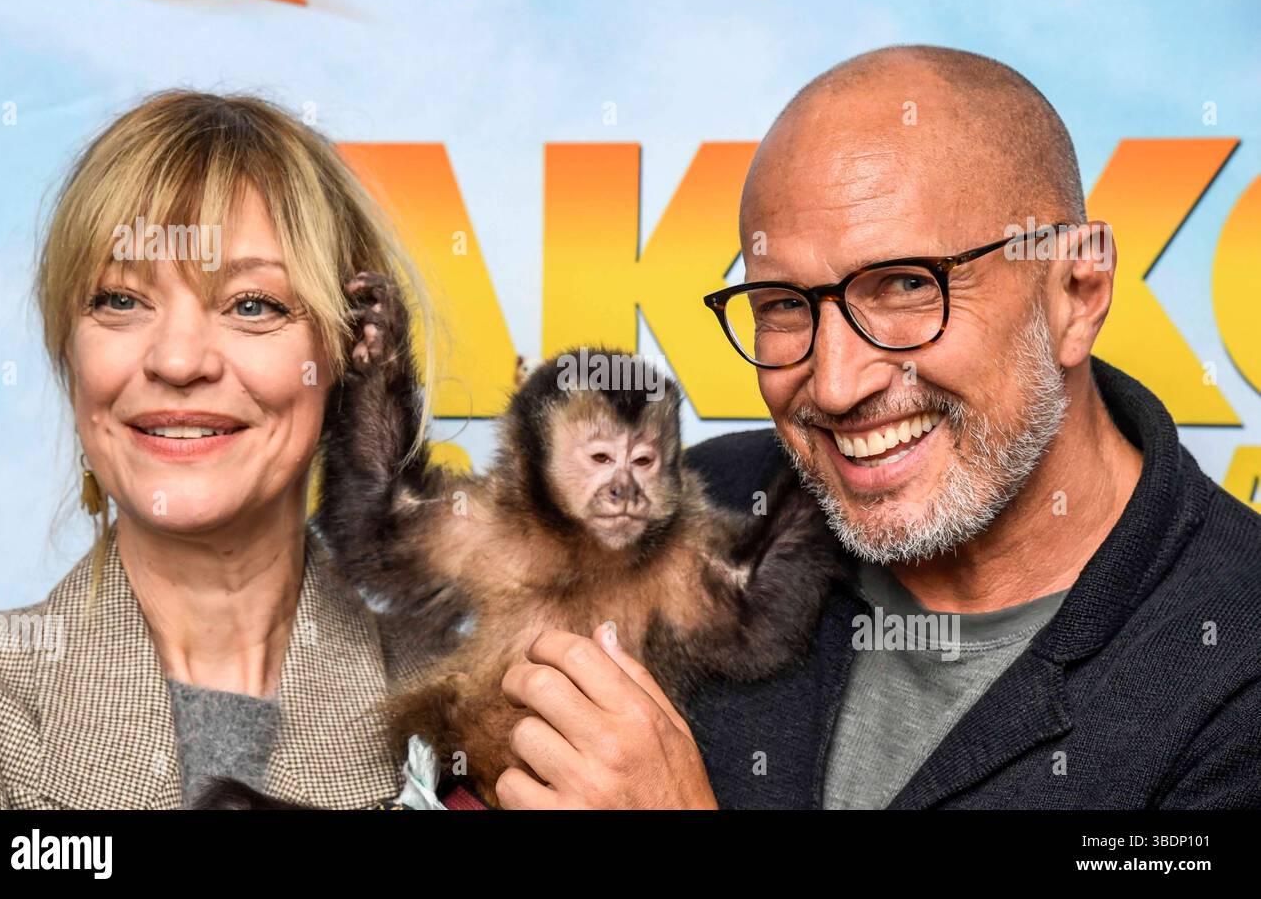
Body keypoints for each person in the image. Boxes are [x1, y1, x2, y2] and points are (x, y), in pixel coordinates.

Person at [493, 45, 1261, 809]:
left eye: (904, 286)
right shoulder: (705, 506)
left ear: (1077, 292)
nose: (833, 384)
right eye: (785, 305)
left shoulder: (1236, 667)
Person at [0, 91, 434, 808]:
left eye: (252, 304)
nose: (179, 361)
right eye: (120, 300)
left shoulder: (492, 713)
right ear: (72, 357)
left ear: (350, 351)